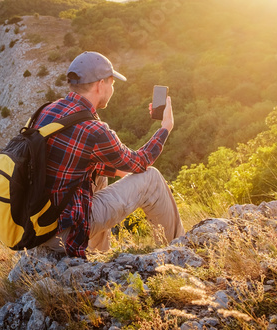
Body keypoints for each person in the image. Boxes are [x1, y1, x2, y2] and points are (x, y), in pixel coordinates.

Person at [34, 51, 184, 258]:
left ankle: (97, 254)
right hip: (63, 233)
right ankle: (178, 252)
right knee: (152, 178)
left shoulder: (47, 111)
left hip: (38, 225)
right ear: (100, 84)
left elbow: (71, 161)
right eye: (112, 83)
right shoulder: (93, 129)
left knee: (99, 172)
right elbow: (139, 162)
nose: (113, 89)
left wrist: (121, 172)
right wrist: (165, 127)